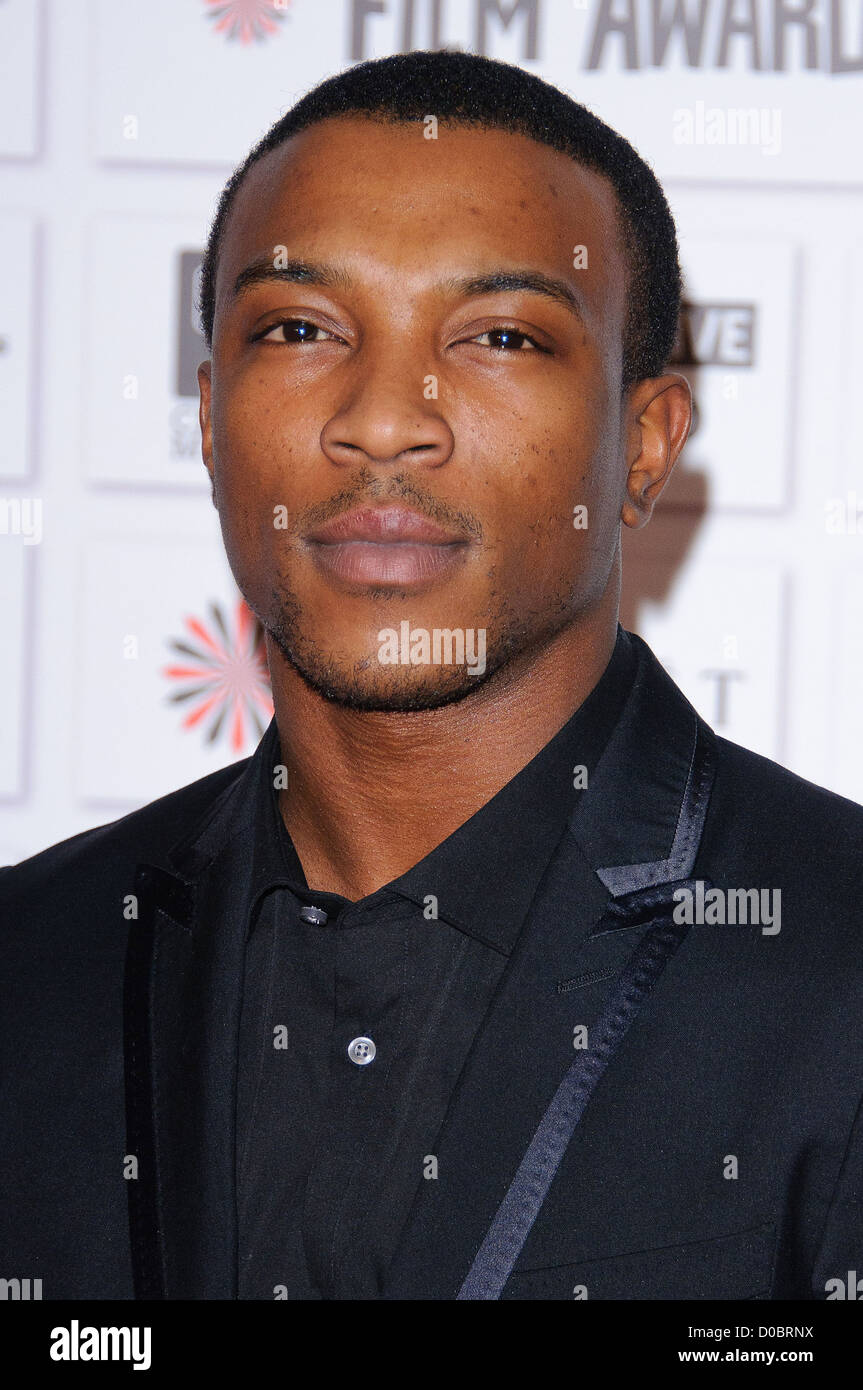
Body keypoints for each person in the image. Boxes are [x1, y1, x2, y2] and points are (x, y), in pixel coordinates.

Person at [2, 50, 862, 1302]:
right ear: (207, 418)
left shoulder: (833, 965)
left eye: (498, 336)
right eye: (300, 329)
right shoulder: (34, 961)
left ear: (644, 442)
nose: (385, 415)